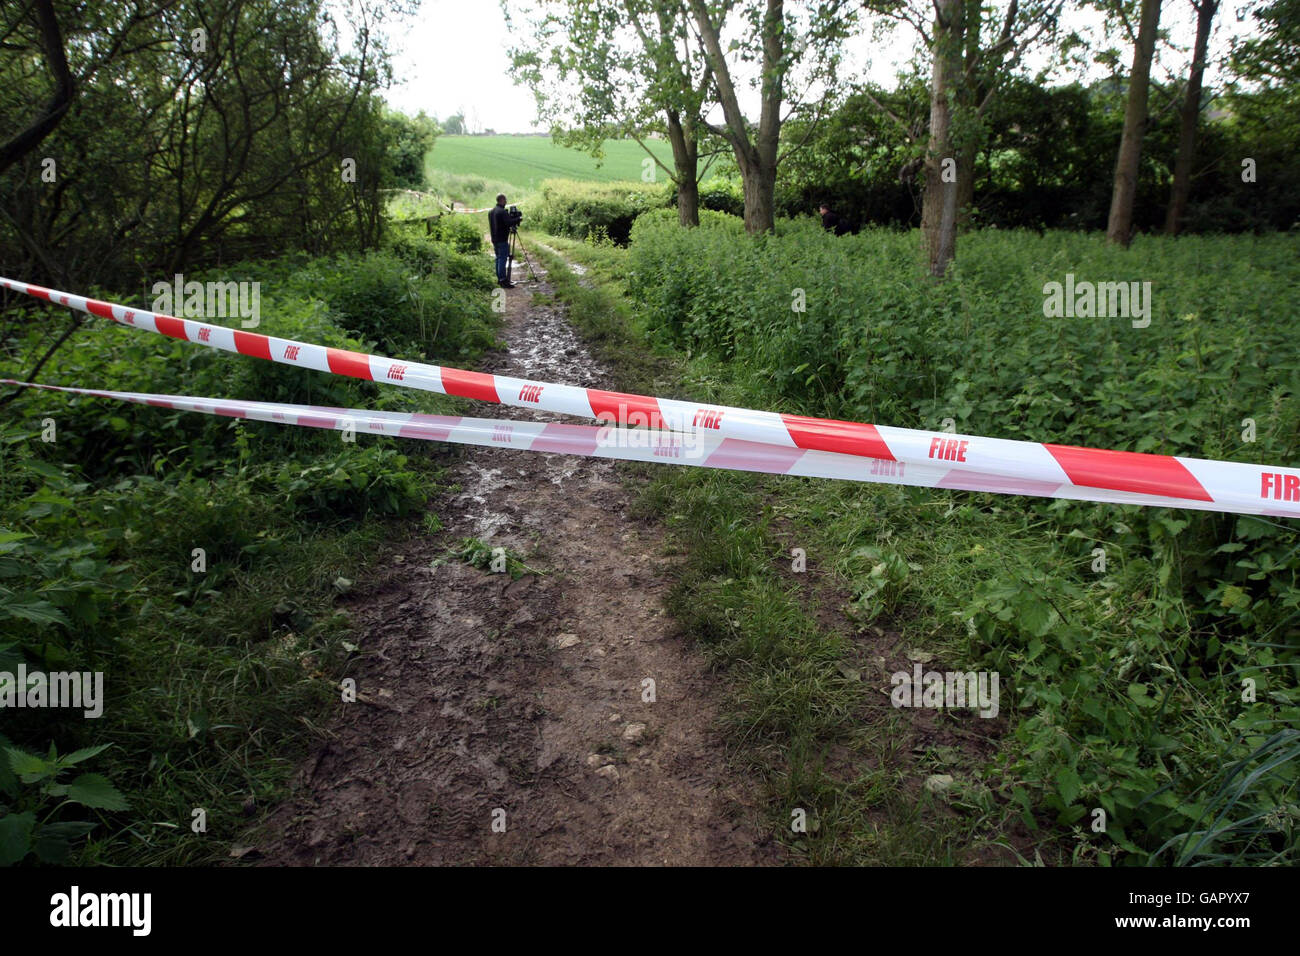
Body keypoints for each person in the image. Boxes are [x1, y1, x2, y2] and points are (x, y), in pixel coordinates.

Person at [488, 194, 515, 288]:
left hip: (494, 239)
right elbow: (508, 223)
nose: (506, 202)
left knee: (498, 258)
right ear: (502, 200)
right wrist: (517, 219)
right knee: (502, 259)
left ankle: (500, 279)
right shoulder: (502, 212)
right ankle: (503, 280)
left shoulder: (491, 211)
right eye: (505, 200)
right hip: (502, 239)